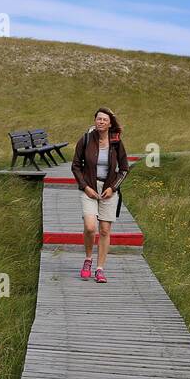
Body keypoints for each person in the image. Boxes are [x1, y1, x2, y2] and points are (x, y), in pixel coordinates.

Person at [70, 107, 130, 283]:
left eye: (104, 119)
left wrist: (112, 188)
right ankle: (88, 259)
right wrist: (85, 186)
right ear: (95, 121)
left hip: (108, 190)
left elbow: (124, 169)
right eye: (98, 119)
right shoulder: (86, 139)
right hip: (89, 187)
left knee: (104, 230)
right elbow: (75, 165)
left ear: (110, 123)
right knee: (90, 227)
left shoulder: (116, 142)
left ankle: (100, 269)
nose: (101, 122)